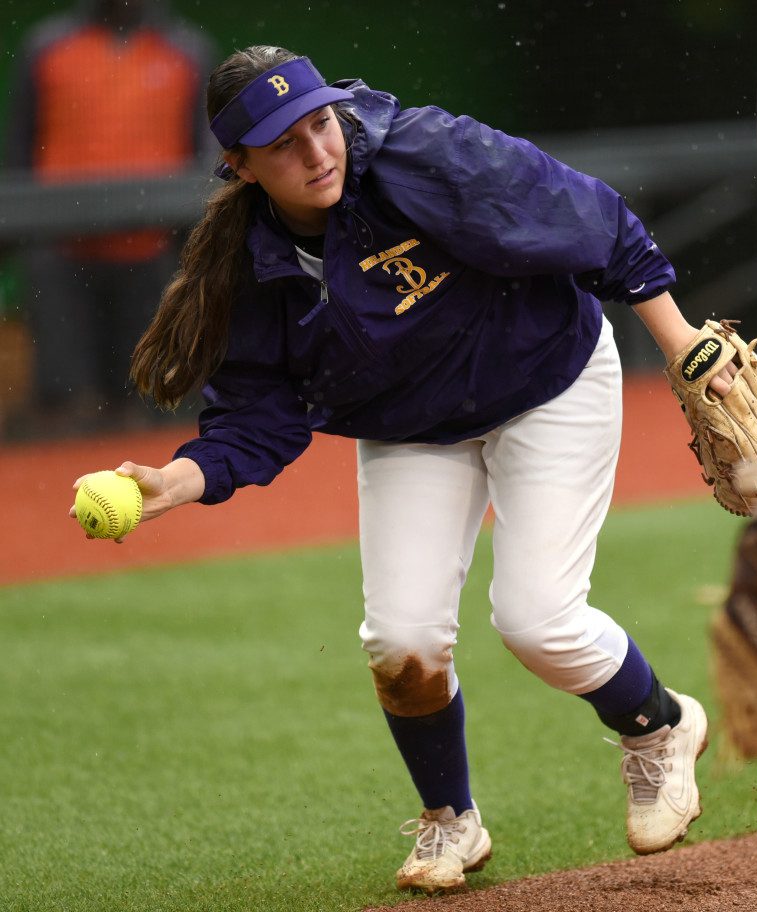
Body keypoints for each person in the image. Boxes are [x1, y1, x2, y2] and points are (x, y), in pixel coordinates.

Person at [69, 46, 711, 895]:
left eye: (320, 123)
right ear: (241, 166)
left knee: (538, 620)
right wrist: (174, 484)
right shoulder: (253, 264)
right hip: (412, 426)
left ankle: (660, 727)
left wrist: (682, 346)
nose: (316, 151)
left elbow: (587, 217)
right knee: (401, 642)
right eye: (285, 143)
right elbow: (256, 418)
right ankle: (451, 819)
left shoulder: (420, 153)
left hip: (544, 378)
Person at [4, 0, 216, 439]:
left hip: (155, 254)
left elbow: (205, 158)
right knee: (66, 409)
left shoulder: (187, 49)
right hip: (60, 255)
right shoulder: (47, 46)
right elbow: (21, 151)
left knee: (150, 404)